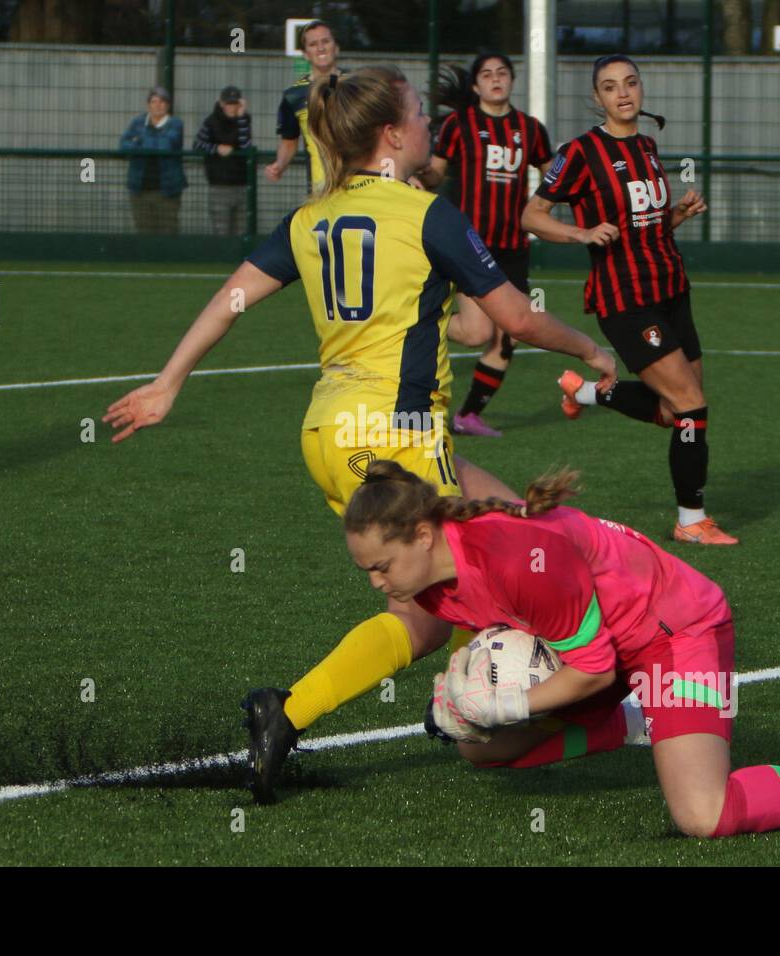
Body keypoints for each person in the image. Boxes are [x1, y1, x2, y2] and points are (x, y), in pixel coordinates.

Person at [104, 66, 618, 804]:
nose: (428, 125)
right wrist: (594, 351)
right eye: (416, 113)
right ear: (390, 134)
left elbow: (234, 297)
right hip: (398, 430)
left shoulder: (315, 217)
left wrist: (168, 381)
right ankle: (460, 709)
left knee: (499, 531)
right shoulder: (428, 214)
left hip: (326, 431)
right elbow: (519, 321)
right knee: (490, 570)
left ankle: (360, 709)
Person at [342, 460, 780, 837]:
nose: (376, 583)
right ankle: (643, 720)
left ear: (424, 535)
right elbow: (512, 636)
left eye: (381, 566)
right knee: (483, 754)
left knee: (703, 816)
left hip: (678, 631)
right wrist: (457, 701)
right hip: (604, 647)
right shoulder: (428, 580)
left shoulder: (513, 558)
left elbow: (589, 672)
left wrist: (500, 704)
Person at [523, 54, 737, 545]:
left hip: (672, 288)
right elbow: (532, 216)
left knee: (672, 413)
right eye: (610, 86)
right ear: (596, 98)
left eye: (631, 83)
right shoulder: (577, 152)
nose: (623, 93)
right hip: (625, 298)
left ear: (641, 90)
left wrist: (678, 214)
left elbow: (644, 224)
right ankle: (690, 521)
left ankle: (586, 393)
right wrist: (580, 233)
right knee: (690, 404)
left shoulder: (646, 145)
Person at [419, 53, 553, 438]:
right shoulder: (460, 125)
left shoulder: (530, 129)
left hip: (513, 247)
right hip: (470, 243)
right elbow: (435, 174)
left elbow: (552, 176)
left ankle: (468, 416)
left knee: (510, 333)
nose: (496, 80)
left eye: (503, 73)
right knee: (477, 334)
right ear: (476, 86)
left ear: (512, 80)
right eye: (487, 75)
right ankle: (418, 320)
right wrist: (412, 170)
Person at [264, 19, 339, 189]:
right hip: (321, 191)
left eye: (326, 41)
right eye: (313, 44)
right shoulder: (293, 95)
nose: (321, 48)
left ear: (336, 47)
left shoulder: (358, 85)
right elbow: (289, 142)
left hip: (360, 188)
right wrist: (280, 165)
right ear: (306, 54)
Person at [121, 86, 186, 234]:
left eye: (162, 102)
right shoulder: (137, 122)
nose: (158, 105)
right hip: (139, 189)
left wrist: (139, 141)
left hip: (168, 189)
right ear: (148, 105)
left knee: (168, 232)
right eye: (154, 101)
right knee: (143, 232)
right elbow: (123, 145)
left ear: (168, 105)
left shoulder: (176, 124)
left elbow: (166, 145)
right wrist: (149, 141)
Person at [193, 85, 252, 237]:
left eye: (235, 104)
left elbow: (246, 145)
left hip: (241, 184)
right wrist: (216, 148)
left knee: (241, 231)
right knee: (221, 231)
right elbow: (197, 145)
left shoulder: (244, 120)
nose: (232, 107)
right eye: (229, 103)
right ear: (221, 103)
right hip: (219, 185)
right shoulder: (211, 122)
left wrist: (241, 118)